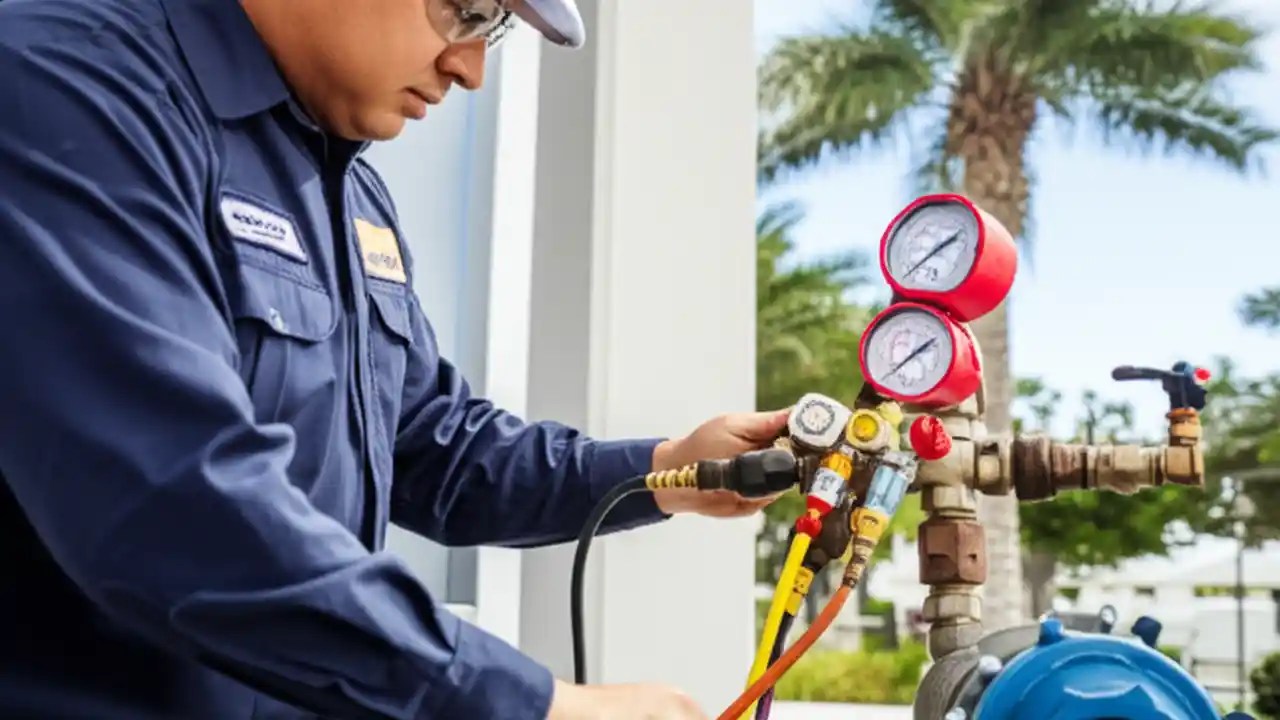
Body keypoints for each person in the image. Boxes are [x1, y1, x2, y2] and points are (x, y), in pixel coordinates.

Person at [0, 0, 785, 718]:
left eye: (493, 31)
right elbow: (167, 501)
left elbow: (435, 447)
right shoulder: (67, 83)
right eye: (466, 10)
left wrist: (673, 470)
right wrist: (537, 707)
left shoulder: (343, 185)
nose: (469, 69)